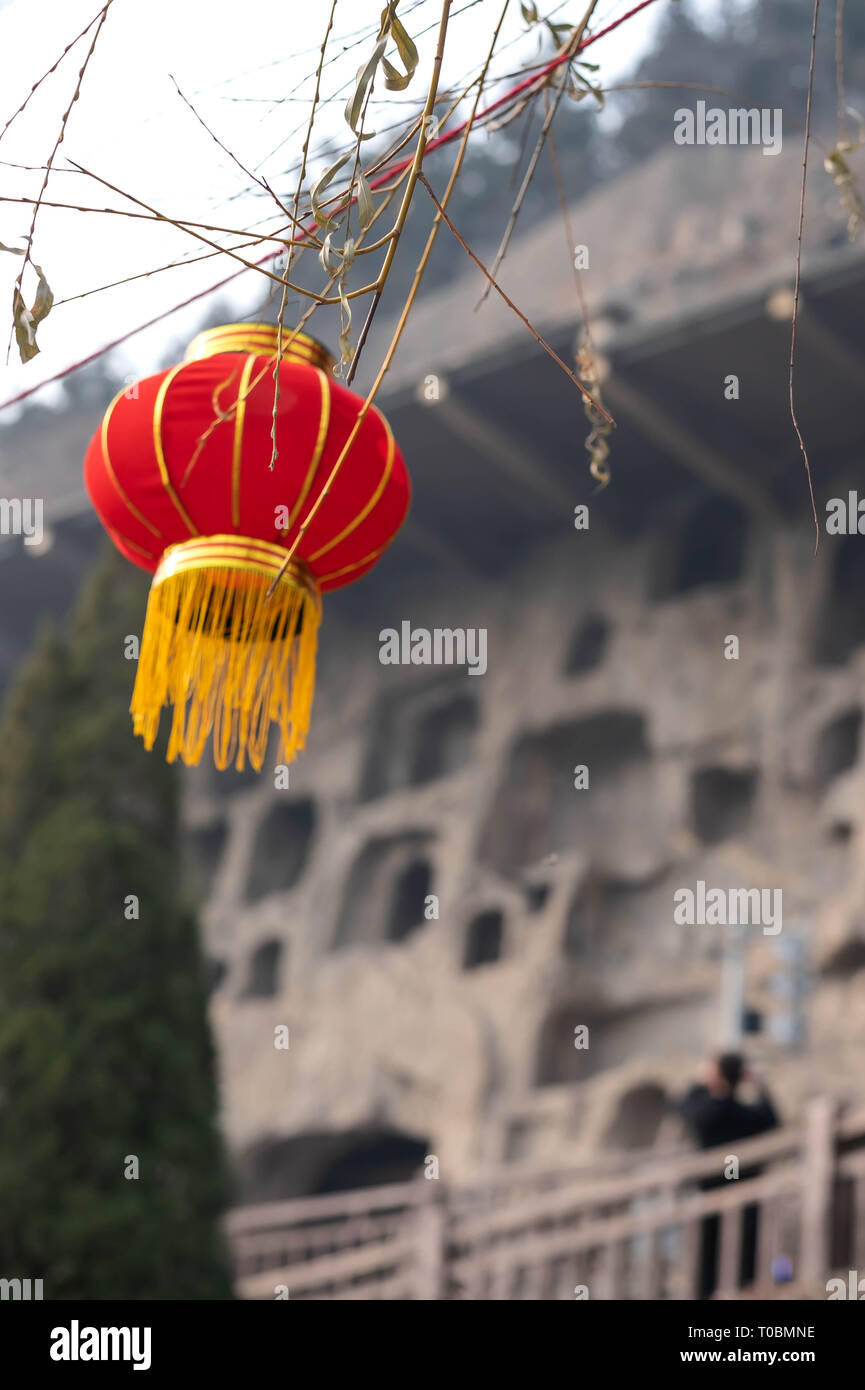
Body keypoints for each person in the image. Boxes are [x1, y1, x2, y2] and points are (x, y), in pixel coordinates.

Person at [679, 1053, 779, 1299]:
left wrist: (703, 1081)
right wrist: (759, 1085)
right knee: (745, 1253)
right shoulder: (744, 1114)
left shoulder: (709, 1113)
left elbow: (685, 1106)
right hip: (746, 1192)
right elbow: (772, 1119)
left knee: (709, 1256)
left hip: (712, 1194)